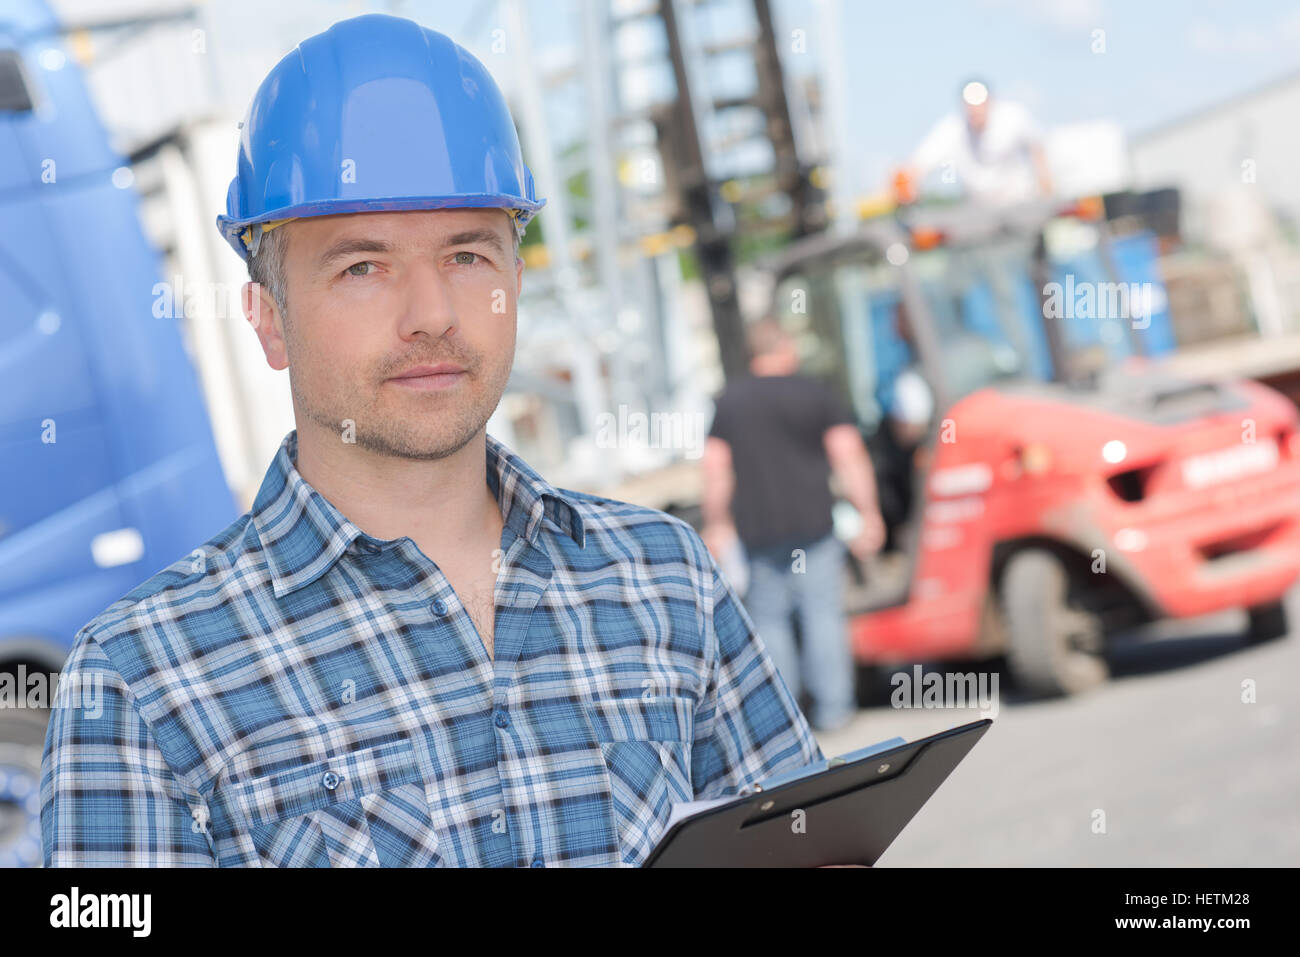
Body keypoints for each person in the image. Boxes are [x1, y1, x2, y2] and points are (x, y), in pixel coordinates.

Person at [39, 13, 827, 868]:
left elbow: (802, 848)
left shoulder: (665, 581)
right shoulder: (139, 685)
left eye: (466, 255)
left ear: (516, 282)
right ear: (269, 319)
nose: (433, 317)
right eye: (362, 267)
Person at [701, 320, 886, 733]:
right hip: (815, 529)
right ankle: (834, 711)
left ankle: (787, 719)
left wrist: (717, 523)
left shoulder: (731, 402)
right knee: (822, 614)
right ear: (784, 348)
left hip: (760, 533)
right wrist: (869, 512)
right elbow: (849, 455)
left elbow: (715, 468)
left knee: (770, 622)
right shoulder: (815, 394)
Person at [906, 78, 1053, 206]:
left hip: (1021, 202)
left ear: (991, 101)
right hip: (980, 210)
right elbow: (919, 164)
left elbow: (1037, 149)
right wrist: (908, 184)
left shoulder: (1013, 117)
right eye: (970, 104)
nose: (975, 109)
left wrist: (1046, 193)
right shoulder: (952, 129)